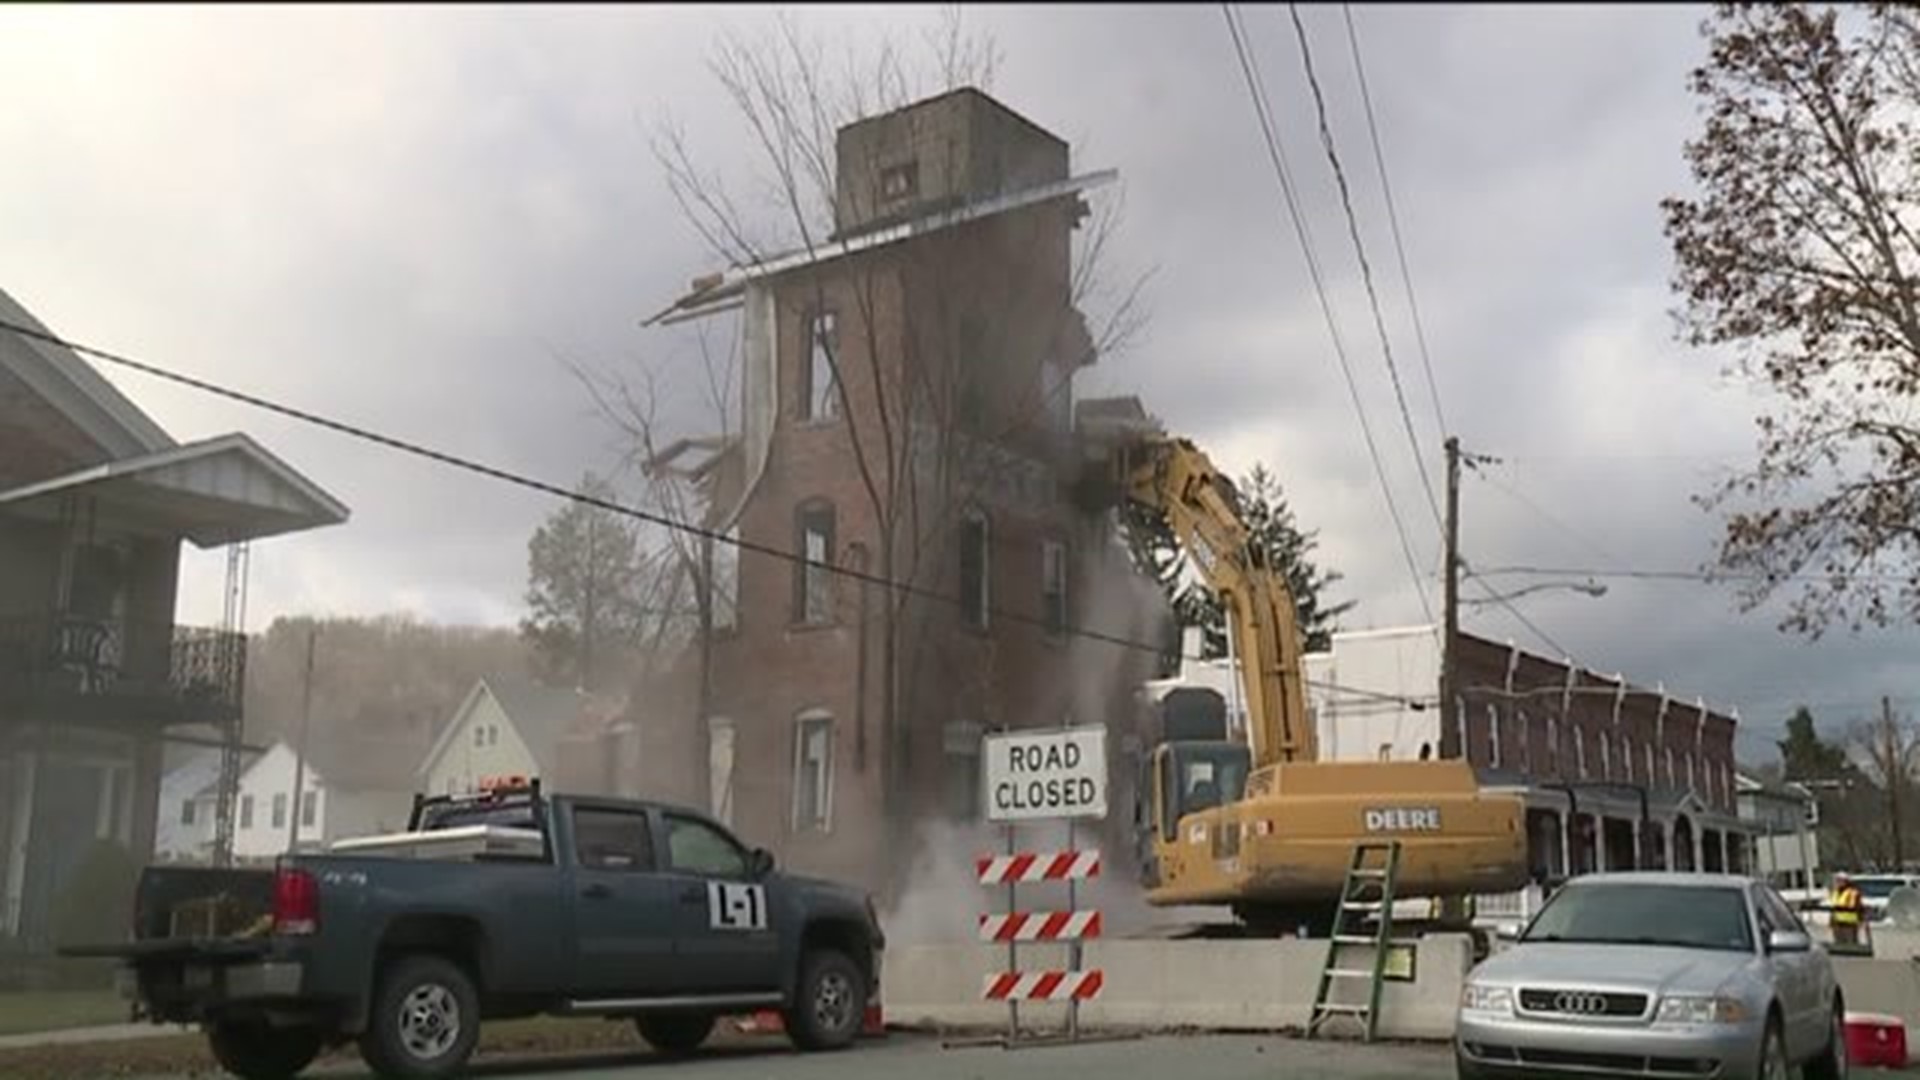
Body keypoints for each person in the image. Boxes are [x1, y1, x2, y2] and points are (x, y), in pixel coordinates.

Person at [1830, 872, 1865, 947]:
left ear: (1846, 881)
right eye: (1837, 880)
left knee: (1850, 944)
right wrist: (1832, 920)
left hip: (1849, 923)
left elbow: (1859, 907)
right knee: (1838, 943)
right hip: (1837, 923)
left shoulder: (1853, 892)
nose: (1838, 882)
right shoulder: (1835, 892)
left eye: (1840, 880)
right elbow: (1833, 907)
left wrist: (1861, 919)